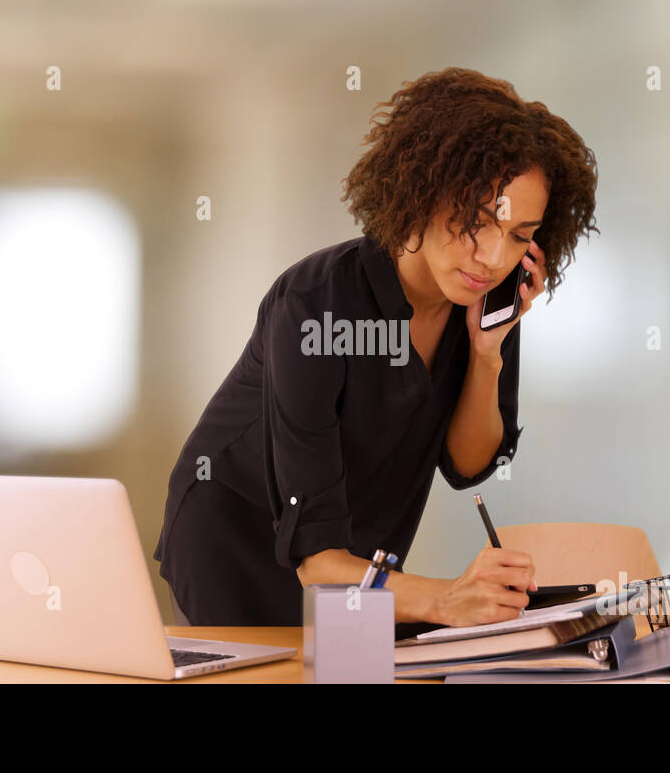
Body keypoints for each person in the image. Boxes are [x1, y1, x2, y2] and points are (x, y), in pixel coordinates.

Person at [153, 67, 598, 626]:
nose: (491, 256)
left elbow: (467, 463)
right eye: (476, 222)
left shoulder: (481, 304)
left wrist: (487, 354)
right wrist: (445, 600)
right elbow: (315, 562)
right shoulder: (317, 302)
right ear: (422, 195)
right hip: (237, 540)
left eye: (518, 235)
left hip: (356, 561)